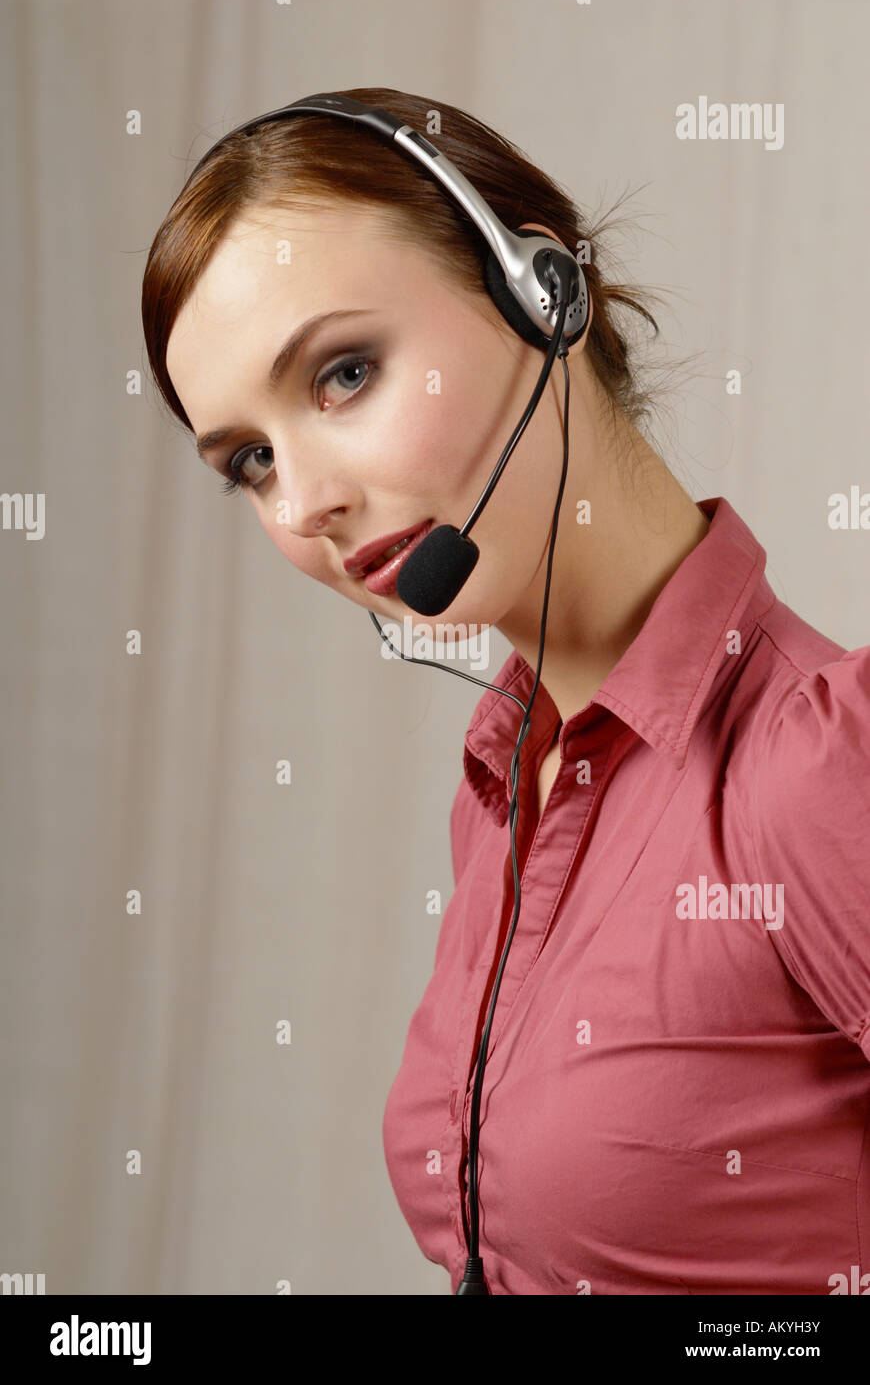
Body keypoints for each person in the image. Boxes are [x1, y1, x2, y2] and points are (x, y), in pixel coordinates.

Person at [142, 86, 870, 1295]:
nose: (300, 503)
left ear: (545, 297)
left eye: (341, 374)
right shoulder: (502, 786)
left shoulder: (816, 767)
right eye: (250, 462)